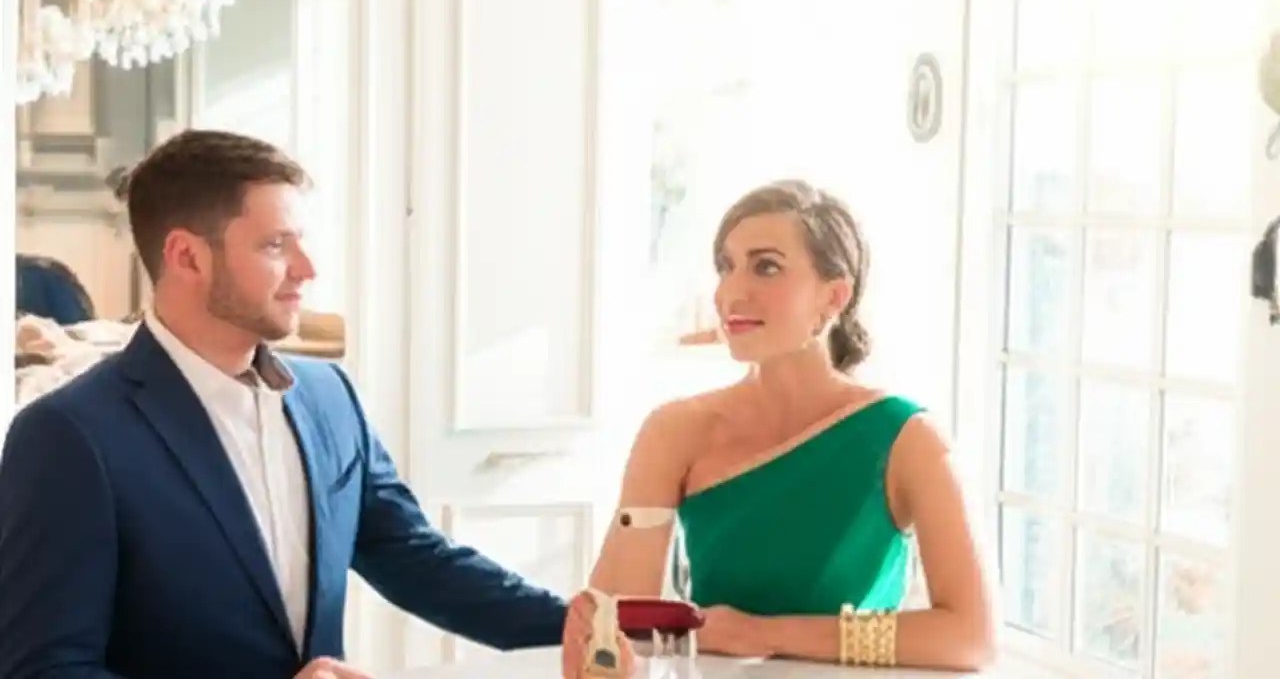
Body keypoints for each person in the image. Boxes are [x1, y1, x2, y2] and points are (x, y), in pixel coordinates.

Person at [0, 130, 568, 679]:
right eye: (276, 245)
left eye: (301, 241)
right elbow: (45, 669)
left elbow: (416, 559)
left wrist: (580, 630)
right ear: (187, 257)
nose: (307, 268)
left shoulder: (330, 398)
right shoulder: (68, 435)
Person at [562, 180, 995, 674]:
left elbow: (970, 638)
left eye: (766, 267)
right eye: (726, 267)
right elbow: (617, 623)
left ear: (834, 297)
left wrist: (760, 632)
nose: (730, 292)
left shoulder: (908, 438)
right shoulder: (674, 431)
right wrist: (601, 637)